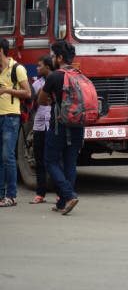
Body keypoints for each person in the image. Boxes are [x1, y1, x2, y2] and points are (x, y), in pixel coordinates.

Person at [37, 41, 80, 214]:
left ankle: (69, 195)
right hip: (78, 125)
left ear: (60, 58)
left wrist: (52, 99)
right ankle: (63, 202)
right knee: (70, 162)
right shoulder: (79, 74)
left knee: (50, 160)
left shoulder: (55, 76)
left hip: (59, 125)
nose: (52, 59)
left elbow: (41, 99)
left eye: (54, 56)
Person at [0, 39, 32, 208]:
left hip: (11, 117)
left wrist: (7, 90)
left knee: (7, 156)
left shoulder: (17, 69)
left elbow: (27, 92)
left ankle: (11, 196)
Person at [29, 55, 53, 204]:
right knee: (39, 161)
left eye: (39, 66)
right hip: (39, 126)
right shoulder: (37, 84)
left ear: (48, 67)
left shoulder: (57, 81)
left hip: (52, 126)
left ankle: (60, 193)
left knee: (54, 160)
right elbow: (32, 103)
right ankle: (40, 193)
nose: (37, 68)